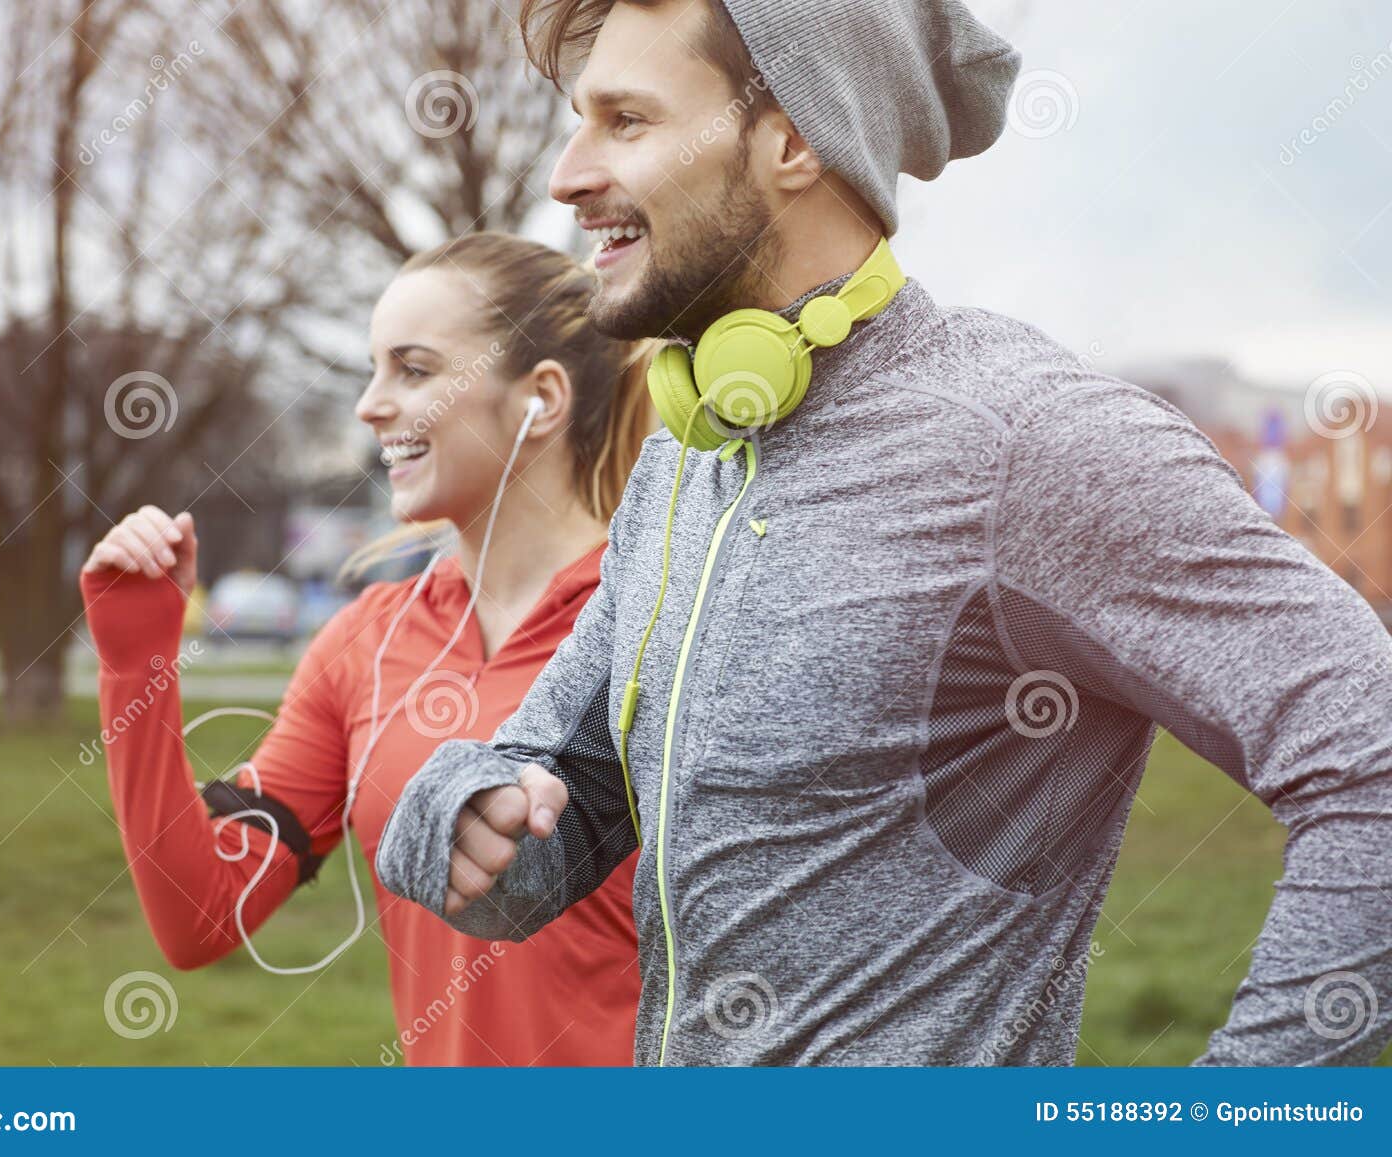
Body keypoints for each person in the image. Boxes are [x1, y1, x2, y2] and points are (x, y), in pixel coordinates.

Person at [375, 0, 1392, 1066]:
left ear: (793, 140)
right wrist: (461, 806)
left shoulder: (1029, 441)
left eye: (626, 121)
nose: (567, 174)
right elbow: (552, 801)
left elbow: (1370, 752)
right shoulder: (691, 451)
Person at [79, 232, 657, 1066]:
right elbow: (201, 913)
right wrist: (138, 662)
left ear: (540, 399)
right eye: (373, 368)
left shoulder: (665, 621)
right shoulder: (365, 642)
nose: (369, 405)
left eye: (414, 370)